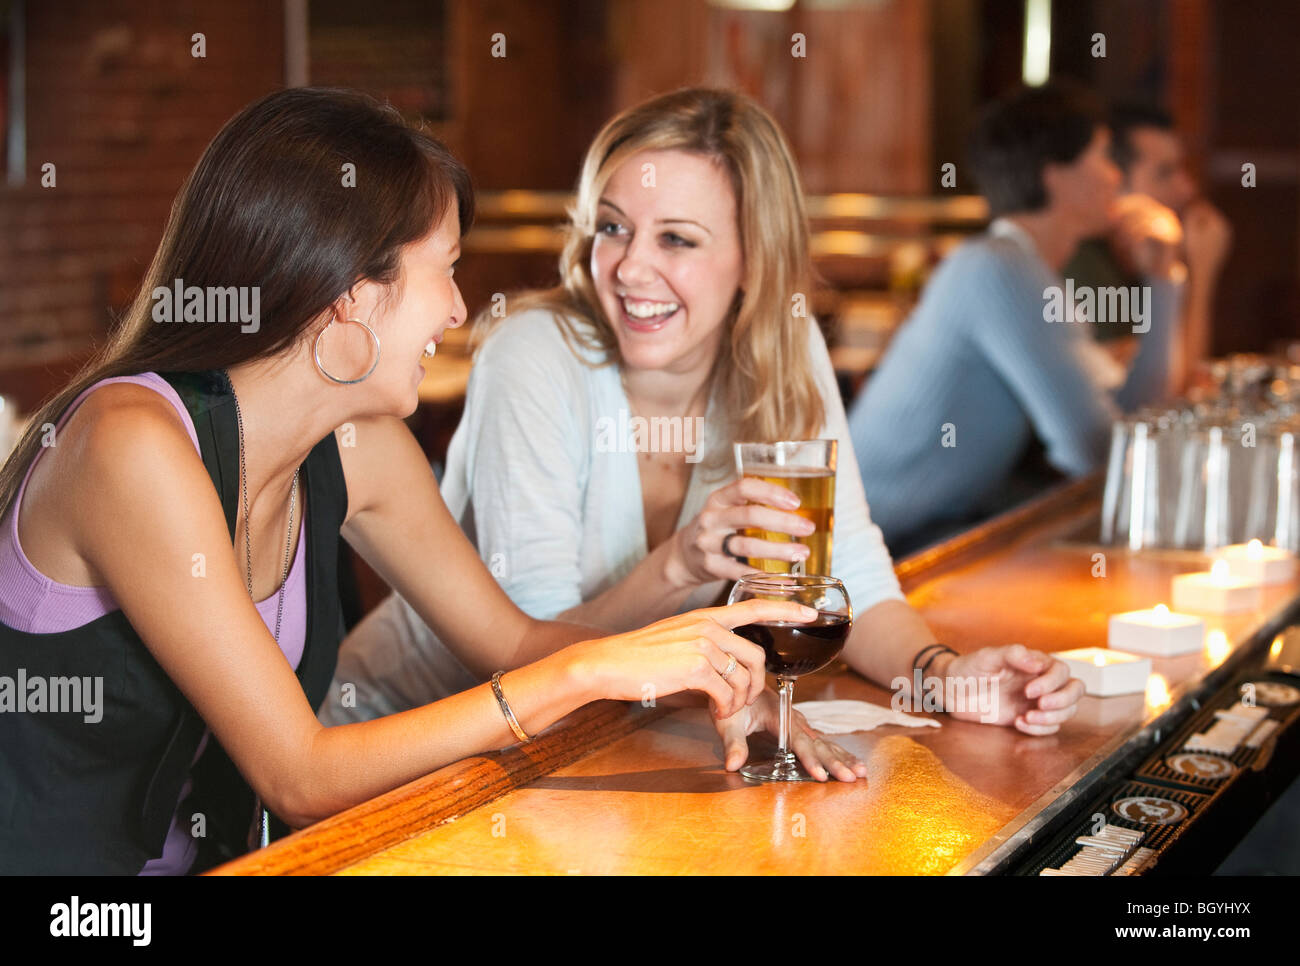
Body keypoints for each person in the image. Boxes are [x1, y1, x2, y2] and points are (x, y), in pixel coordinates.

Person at [0, 87, 818, 875]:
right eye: (447, 269)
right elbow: (301, 775)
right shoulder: (129, 445)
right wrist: (589, 672)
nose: (459, 311)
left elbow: (513, 644)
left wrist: (708, 688)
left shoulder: (361, 444)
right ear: (353, 294)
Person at [323, 87, 1084, 766]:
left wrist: (946, 676)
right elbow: (532, 656)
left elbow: (845, 569)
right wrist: (680, 567)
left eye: (677, 239)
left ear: (754, 257)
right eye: (613, 228)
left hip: (613, 740)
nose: (627, 268)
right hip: (419, 745)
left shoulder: (785, 347)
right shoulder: (535, 356)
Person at [847, 81, 1186, 555]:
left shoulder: (1024, 267)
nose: (1115, 177)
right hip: (867, 554)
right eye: (1104, 158)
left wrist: (1164, 274)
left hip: (924, 536)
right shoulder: (1000, 268)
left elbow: (1133, 415)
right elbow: (1095, 449)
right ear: (1057, 177)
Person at [1064, 101, 1232, 388]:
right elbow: (1169, 396)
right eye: (1165, 173)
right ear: (1115, 184)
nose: (1187, 188)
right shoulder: (1082, 261)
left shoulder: (1142, 256)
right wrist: (1203, 271)